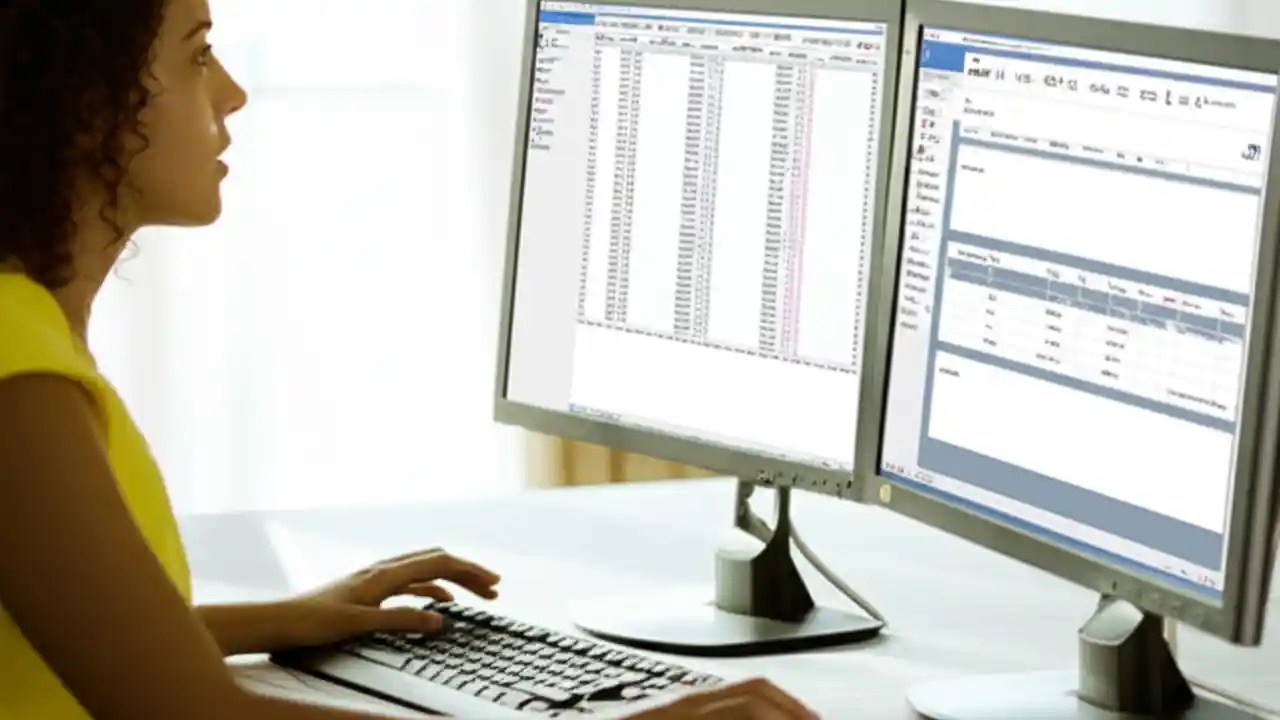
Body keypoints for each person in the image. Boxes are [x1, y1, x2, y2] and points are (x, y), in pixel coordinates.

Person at [0, 1, 820, 718]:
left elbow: (70, 638)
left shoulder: (28, 328)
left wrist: (291, 616)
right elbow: (191, 714)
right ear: (83, 100)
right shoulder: (19, 377)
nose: (231, 93)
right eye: (196, 53)